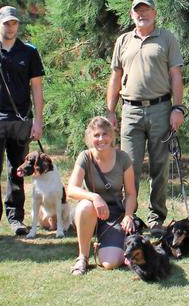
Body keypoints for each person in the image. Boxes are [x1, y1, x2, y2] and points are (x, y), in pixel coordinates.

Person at [106, 0, 185, 231]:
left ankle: (156, 217)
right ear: (132, 14)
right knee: (128, 166)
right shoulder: (123, 41)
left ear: (154, 13)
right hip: (130, 110)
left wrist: (177, 108)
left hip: (161, 109)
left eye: (146, 10)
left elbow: (176, 75)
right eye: (138, 10)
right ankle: (128, 216)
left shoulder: (167, 38)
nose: (142, 14)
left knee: (160, 166)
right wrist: (110, 111)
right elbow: (115, 77)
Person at [0, 6, 45, 242]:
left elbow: (37, 88)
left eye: (14, 23)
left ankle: (16, 219)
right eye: (6, 23)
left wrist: (38, 121)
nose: (11, 27)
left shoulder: (29, 52)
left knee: (18, 171)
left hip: (21, 121)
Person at [67, 116, 137, 275]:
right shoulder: (85, 156)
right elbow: (71, 189)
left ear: (111, 136)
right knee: (86, 205)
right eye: (96, 135)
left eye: (105, 134)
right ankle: (83, 257)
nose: (101, 139)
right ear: (89, 138)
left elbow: (131, 194)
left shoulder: (123, 158)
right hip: (88, 211)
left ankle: (104, 242)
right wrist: (94, 197)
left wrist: (128, 215)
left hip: (113, 214)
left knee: (110, 262)